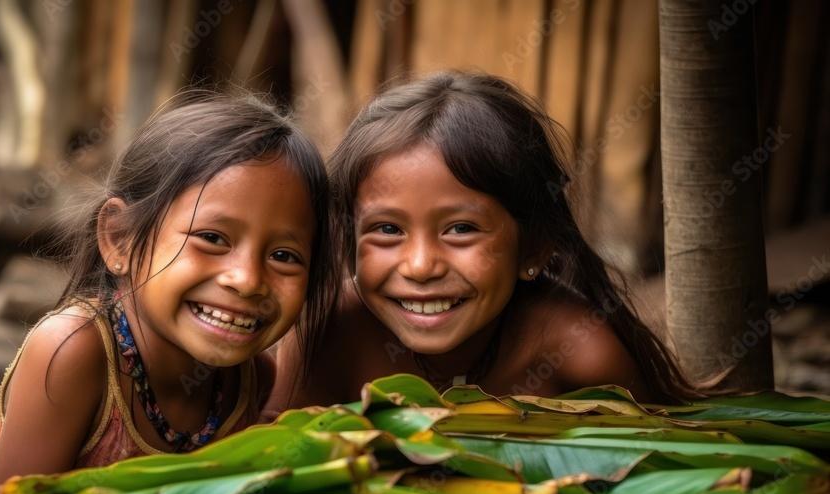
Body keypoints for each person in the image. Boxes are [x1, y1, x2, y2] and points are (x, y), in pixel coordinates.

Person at [0, 92, 337, 494]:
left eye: (283, 256)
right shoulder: (73, 352)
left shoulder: (255, 381)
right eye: (212, 239)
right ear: (119, 240)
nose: (247, 280)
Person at [266, 71, 696, 416]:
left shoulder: (578, 350)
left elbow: (655, 473)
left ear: (533, 248)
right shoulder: (330, 331)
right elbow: (272, 461)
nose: (420, 266)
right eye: (388, 230)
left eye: (460, 229)